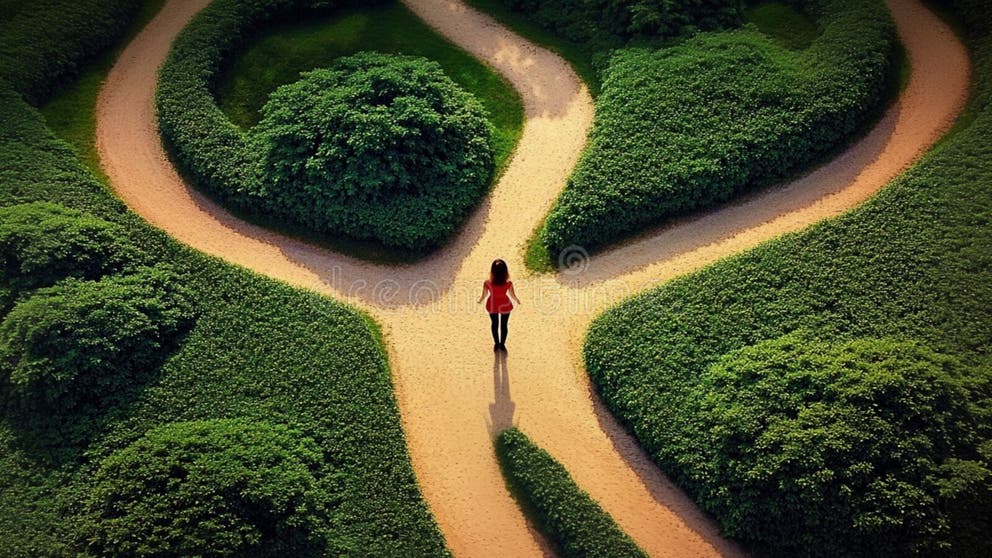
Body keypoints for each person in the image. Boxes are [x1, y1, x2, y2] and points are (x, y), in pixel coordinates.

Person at [478, 259, 520, 351]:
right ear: (505, 271)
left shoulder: (487, 283)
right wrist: (517, 300)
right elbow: (512, 295)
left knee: (494, 324)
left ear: (492, 271)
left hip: (492, 305)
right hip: (505, 305)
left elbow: (484, 294)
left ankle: (496, 344)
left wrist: (480, 300)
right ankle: (502, 344)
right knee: (504, 325)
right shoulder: (508, 283)